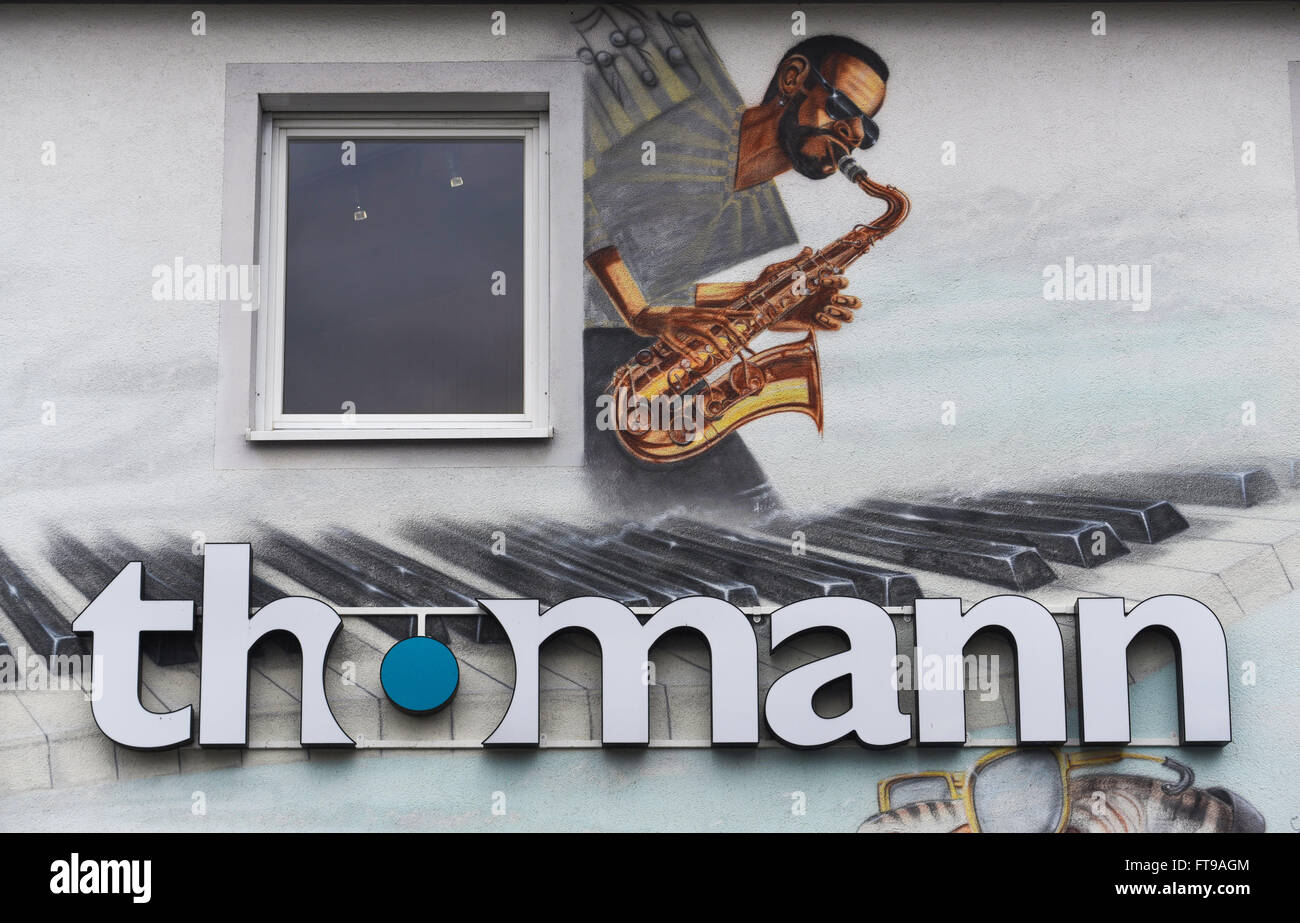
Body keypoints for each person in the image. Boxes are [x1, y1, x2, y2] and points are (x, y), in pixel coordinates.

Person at [580, 13, 892, 516]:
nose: (853, 133)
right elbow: (574, 192)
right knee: (746, 514)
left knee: (749, 513)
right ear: (793, 80)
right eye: (843, 107)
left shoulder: (762, 217)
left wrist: (785, 307)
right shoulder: (696, 120)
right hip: (578, 357)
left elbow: (661, 290)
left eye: (866, 127)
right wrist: (639, 312)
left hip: (632, 358)